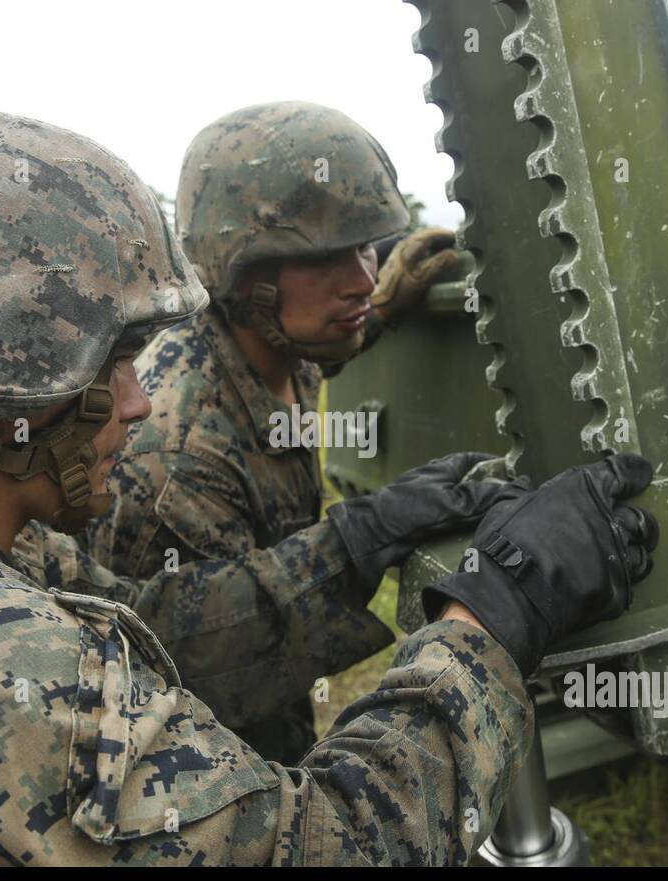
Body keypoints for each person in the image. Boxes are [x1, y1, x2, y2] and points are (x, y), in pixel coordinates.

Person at [0, 112, 658, 865]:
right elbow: (327, 844)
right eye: (113, 361)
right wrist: (493, 614)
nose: (138, 402)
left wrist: (365, 533)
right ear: (2, 377)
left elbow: (151, 624)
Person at [87, 102, 461, 762]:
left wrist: (377, 313)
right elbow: (200, 668)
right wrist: (369, 533)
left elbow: (314, 352)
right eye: (327, 259)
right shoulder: (177, 454)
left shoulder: (271, 339)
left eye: (368, 249)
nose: (364, 278)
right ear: (245, 278)